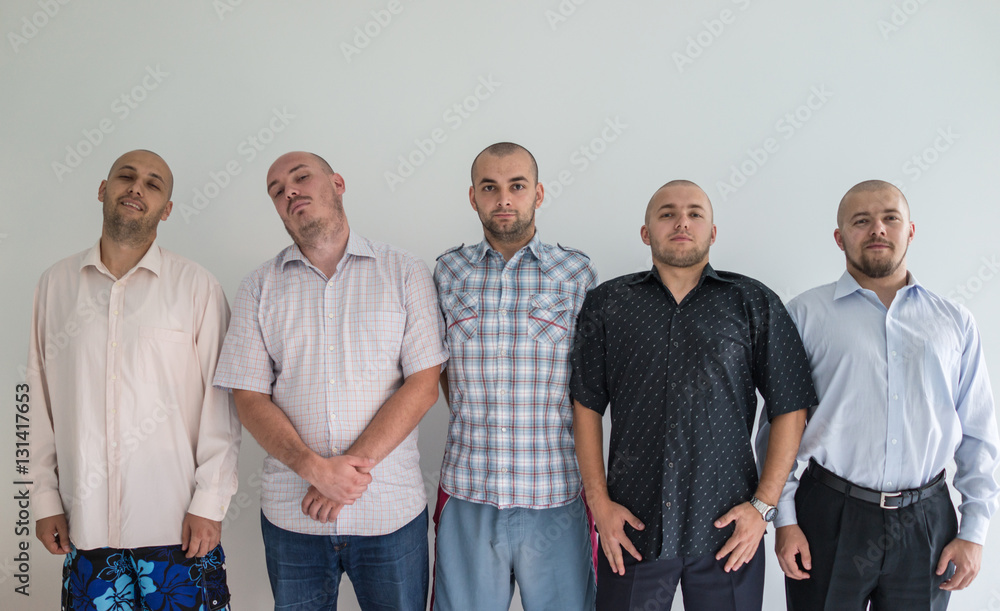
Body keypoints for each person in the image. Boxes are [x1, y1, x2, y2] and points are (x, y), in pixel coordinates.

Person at [213, 151, 447, 610]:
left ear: (337, 184)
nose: (290, 192)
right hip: (293, 520)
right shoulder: (258, 286)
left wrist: (345, 473)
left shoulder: (404, 271)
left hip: (390, 515)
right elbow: (248, 397)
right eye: (277, 190)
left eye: (301, 178)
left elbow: (423, 385)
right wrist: (315, 470)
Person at [571, 180, 817, 610]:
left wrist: (763, 508)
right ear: (646, 232)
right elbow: (586, 406)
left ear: (713, 232)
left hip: (728, 534)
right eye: (666, 213)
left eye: (695, 213)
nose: (681, 221)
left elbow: (791, 407)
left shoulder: (752, 302)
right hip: (631, 531)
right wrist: (600, 505)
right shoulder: (607, 303)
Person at [762, 180, 1000, 610]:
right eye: (861, 221)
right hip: (828, 516)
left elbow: (979, 434)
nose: (878, 229)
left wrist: (974, 531)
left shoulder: (954, 322)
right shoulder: (803, 315)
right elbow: (779, 428)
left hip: (927, 521)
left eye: (890, 218)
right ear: (840, 237)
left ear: (910, 230)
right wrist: (785, 518)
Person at [28, 150, 241, 610]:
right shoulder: (56, 286)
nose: (136, 188)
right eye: (125, 177)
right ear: (103, 190)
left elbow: (220, 407)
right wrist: (43, 499)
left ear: (166, 209)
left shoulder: (197, 288)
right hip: (87, 530)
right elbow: (37, 398)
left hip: (178, 530)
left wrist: (211, 502)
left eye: (153, 183)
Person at [432, 142, 598, 611]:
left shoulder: (576, 273)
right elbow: (442, 373)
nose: (504, 198)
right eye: (490, 187)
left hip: (555, 496)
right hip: (468, 493)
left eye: (516, 186)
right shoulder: (448, 272)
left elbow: (589, 384)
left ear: (538, 194)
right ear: (473, 197)